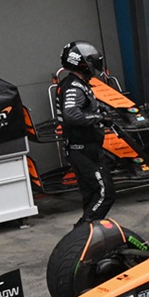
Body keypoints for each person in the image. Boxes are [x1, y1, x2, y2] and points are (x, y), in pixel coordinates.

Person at [56, 42, 116, 227]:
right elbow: (72, 113)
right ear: (82, 63)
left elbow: (83, 106)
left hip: (85, 149)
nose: (96, 67)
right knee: (105, 193)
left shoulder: (78, 84)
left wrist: (101, 107)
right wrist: (100, 117)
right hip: (84, 150)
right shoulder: (74, 86)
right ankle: (83, 230)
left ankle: (88, 233)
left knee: (91, 195)